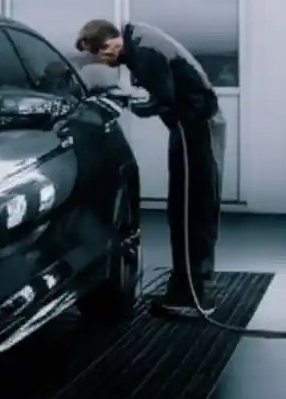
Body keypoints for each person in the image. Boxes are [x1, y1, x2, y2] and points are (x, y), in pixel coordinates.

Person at [75, 19, 225, 316]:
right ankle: (190, 285)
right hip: (195, 125)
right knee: (193, 206)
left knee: (189, 210)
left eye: (99, 55)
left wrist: (126, 103)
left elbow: (163, 99)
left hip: (194, 128)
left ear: (109, 44)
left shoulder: (144, 51)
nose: (102, 62)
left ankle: (192, 293)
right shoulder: (140, 39)